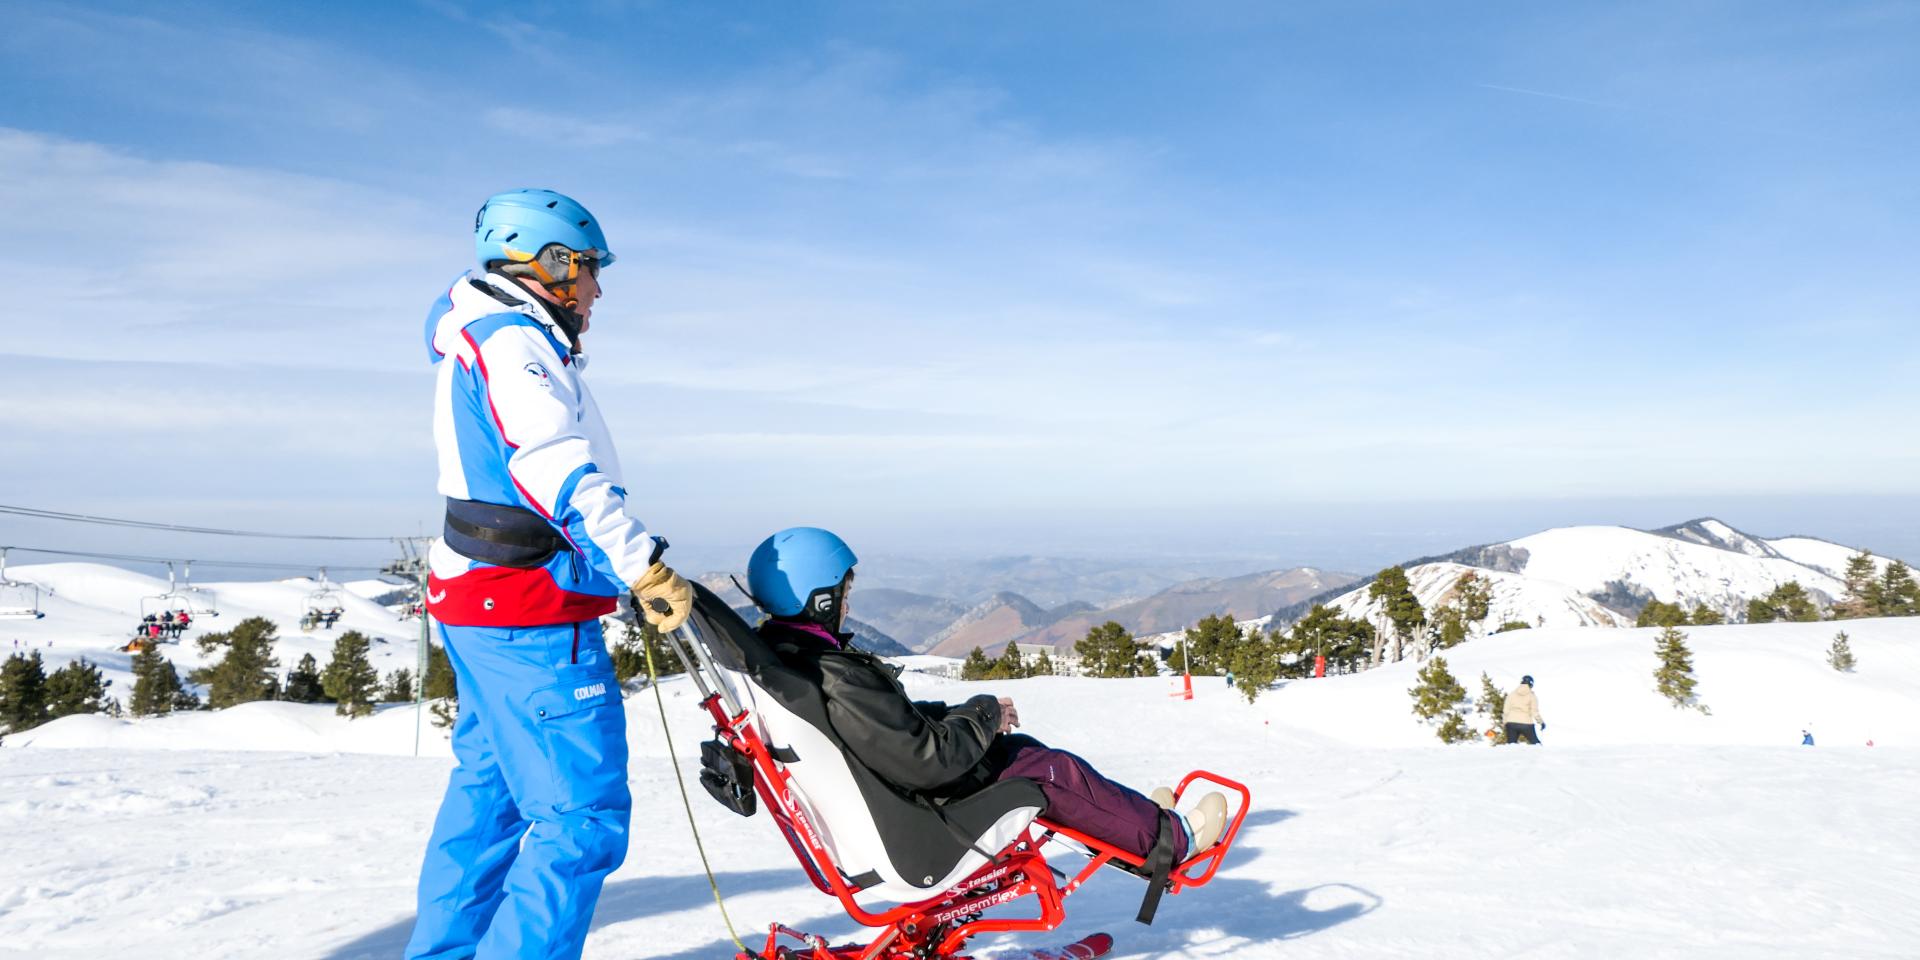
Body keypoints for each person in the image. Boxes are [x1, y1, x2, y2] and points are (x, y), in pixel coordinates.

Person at [405, 189, 695, 960]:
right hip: (528, 614)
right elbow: (553, 466)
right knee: (580, 819)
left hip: (481, 600)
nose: (598, 289)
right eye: (591, 269)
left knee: (492, 798)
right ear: (551, 264)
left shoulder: (491, 334)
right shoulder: (515, 344)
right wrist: (642, 568)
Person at [744, 527, 1231, 868]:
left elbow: (894, 726)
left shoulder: (798, 661)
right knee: (1046, 769)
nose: (848, 603)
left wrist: (967, 713)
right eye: (843, 592)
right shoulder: (835, 676)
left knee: (1024, 755)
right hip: (922, 827)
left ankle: (1132, 820)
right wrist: (984, 712)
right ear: (820, 599)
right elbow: (925, 759)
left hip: (897, 810)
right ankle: (1170, 839)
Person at [1503, 674, 1544, 744]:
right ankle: (1540, 754)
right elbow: (1534, 711)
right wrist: (1541, 722)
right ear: (1531, 684)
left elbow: (1506, 710)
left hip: (1511, 723)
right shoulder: (1532, 696)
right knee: (1536, 744)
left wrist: (1504, 722)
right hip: (1526, 723)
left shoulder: (1512, 694)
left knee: (1511, 746)